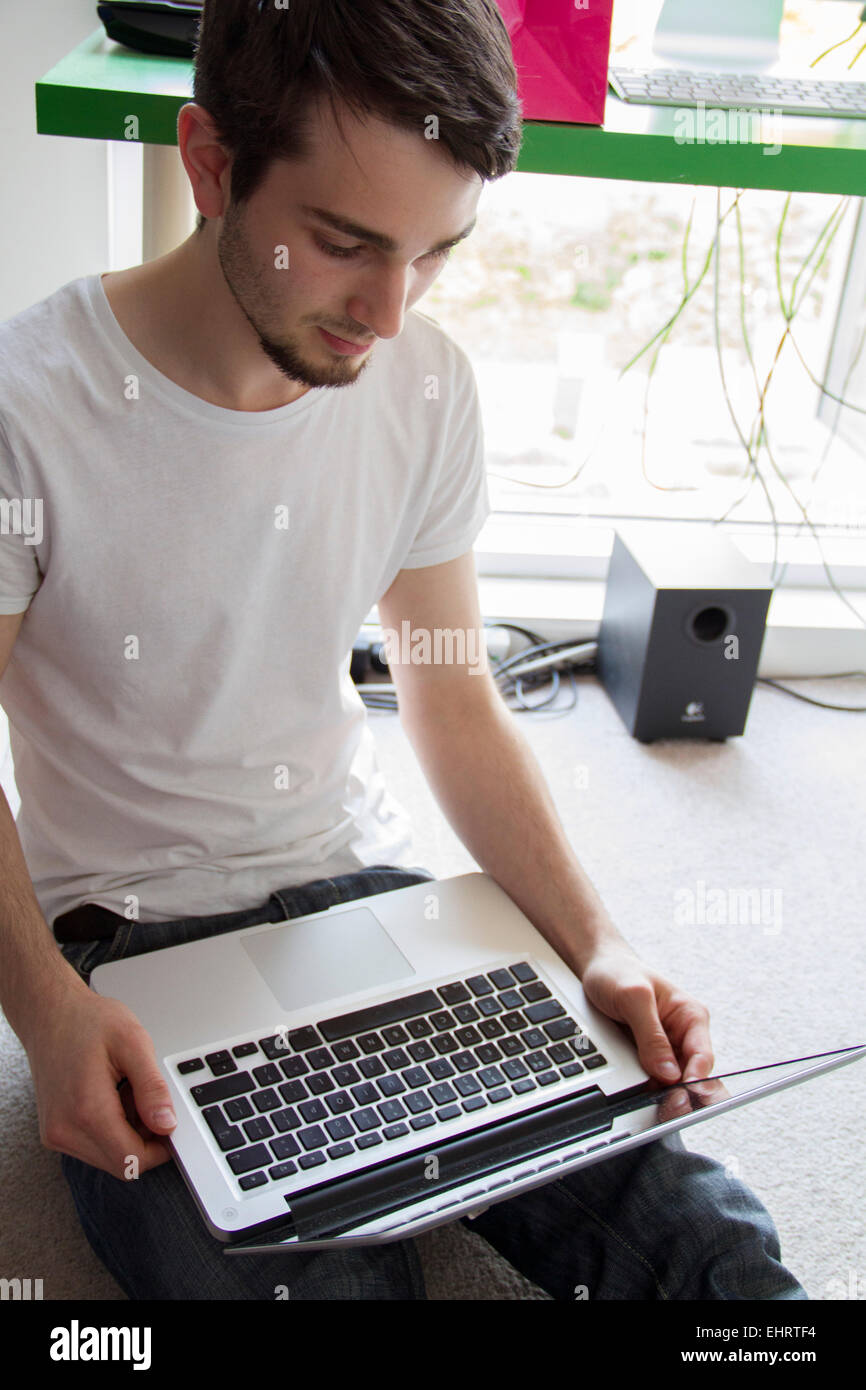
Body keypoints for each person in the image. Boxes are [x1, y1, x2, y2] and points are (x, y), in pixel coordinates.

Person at [0, 0, 805, 1300]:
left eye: (436, 252)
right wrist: (48, 1013)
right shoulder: (26, 407)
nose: (387, 311)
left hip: (374, 902)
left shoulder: (425, 386)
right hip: (131, 944)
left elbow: (451, 695)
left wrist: (589, 936)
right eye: (341, 244)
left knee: (708, 1239)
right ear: (208, 162)